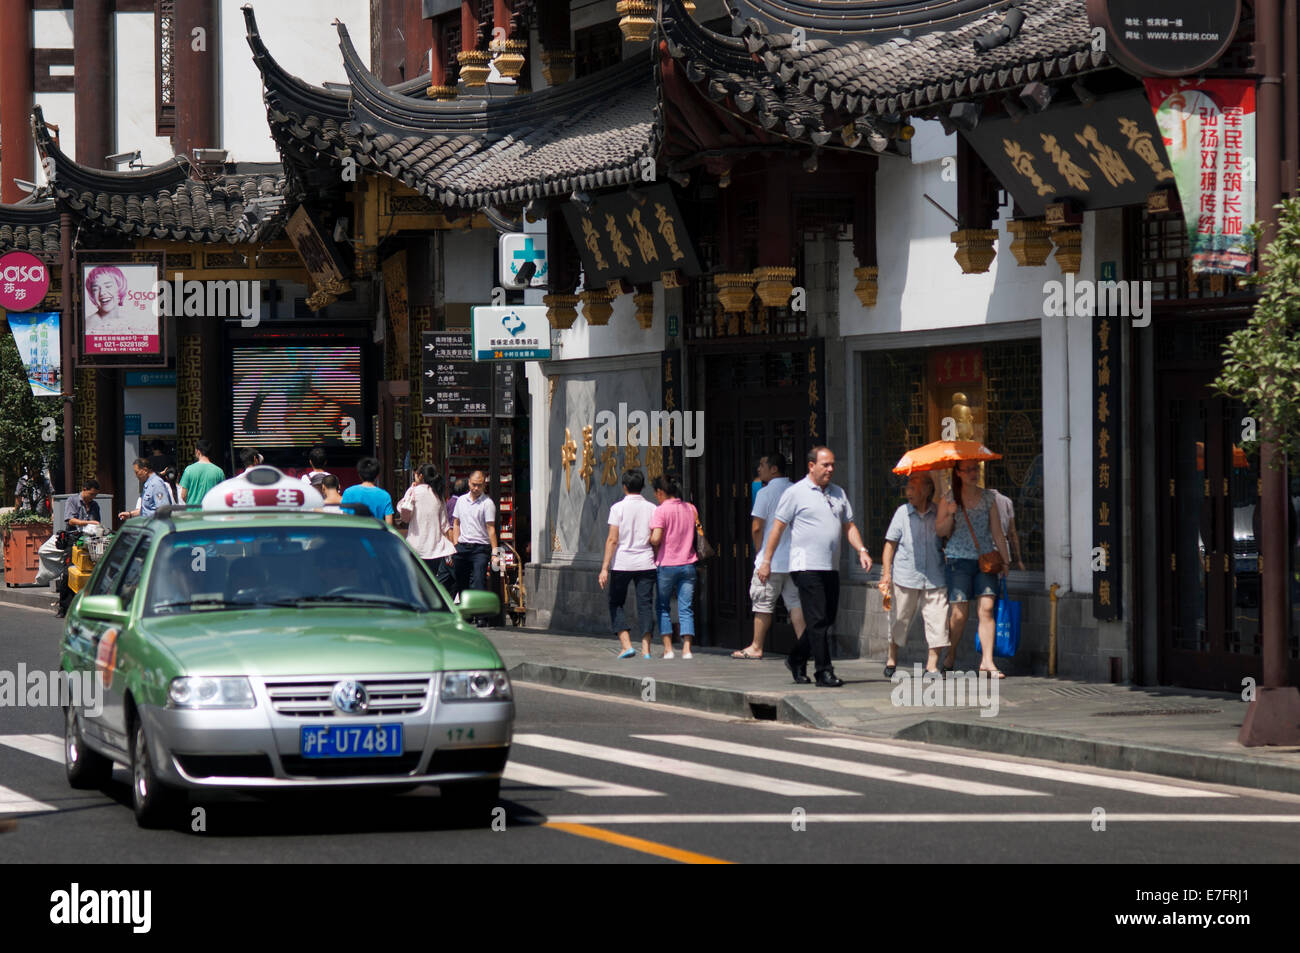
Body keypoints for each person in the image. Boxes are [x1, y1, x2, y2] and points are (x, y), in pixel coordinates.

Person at [758, 446, 873, 687]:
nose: (831, 469)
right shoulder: (795, 492)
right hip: (805, 566)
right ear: (812, 466)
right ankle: (824, 671)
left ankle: (796, 658)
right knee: (818, 618)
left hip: (830, 567)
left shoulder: (838, 493)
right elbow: (777, 528)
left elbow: (848, 526)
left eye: (832, 465)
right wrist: (766, 560)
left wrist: (861, 550)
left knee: (826, 619)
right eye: (825, 465)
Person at [936, 461, 1012, 678]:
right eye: (967, 470)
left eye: (975, 469)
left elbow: (997, 532)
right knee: (959, 613)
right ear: (958, 473)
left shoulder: (989, 498)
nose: (972, 474)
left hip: (985, 560)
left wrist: (1005, 561)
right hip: (958, 560)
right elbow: (939, 530)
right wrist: (950, 513)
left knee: (986, 609)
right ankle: (950, 654)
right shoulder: (949, 498)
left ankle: (987, 661)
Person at [734, 450, 805, 660]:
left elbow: (757, 527)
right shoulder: (797, 491)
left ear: (774, 469)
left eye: (763, 465)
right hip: (794, 561)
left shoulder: (765, 493)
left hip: (771, 561)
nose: (759, 469)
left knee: (763, 604)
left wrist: (760, 552)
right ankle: (804, 644)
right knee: (795, 603)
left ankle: (756, 646)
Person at [880, 473, 948, 678]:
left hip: (935, 576)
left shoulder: (938, 512)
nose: (908, 492)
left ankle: (932, 666)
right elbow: (889, 545)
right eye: (908, 487)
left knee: (938, 621)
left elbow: (947, 538)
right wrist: (886, 574)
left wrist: (951, 514)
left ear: (927, 490)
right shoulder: (902, 513)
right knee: (900, 619)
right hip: (905, 575)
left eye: (913, 487)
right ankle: (892, 658)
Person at [599, 469, 658, 659]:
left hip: (622, 563)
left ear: (624, 487)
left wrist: (604, 568)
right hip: (646, 562)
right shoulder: (652, 508)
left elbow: (612, 539)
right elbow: (656, 538)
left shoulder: (617, 508)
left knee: (616, 602)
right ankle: (646, 649)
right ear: (642, 487)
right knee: (645, 605)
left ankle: (626, 644)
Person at [648, 472, 698, 659]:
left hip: (667, 565)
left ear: (661, 492)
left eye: (655, 492)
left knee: (663, 607)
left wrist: (649, 538)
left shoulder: (661, 511)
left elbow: (656, 538)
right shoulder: (690, 508)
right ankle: (686, 649)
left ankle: (668, 649)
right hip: (688, 564)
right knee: (686, 607)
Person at [397, 464, 457, 593]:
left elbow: (405, 517)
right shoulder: (438, 494)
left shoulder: (413, 491)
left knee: (416, 586)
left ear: (421, 476)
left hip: (416, 548)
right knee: (432, 585)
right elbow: (445, 526)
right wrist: (452, 546)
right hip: (436, 549)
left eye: (416, 473)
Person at [452, 470, 498, 595]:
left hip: (480, 549)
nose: (476, 488)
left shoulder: (487, 503)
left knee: (478, 583)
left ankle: (479, 614)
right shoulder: (461, 500)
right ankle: (466, 613)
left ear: (484, 485)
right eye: (474, 484)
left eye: (479, 485)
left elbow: (491, 528)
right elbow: (456, 523)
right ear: (469, 483)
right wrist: (455, 544)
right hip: (462, 547)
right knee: (461, 583)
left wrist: (495, 553)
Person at [341, 456, 394, 524]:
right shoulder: (385, 495)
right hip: (376, 533)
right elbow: (389, 523)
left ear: (359, 474)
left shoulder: (348, 492)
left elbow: (344, 519)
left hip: (353, 533)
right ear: (377, 475)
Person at [178, 438, 226, 506]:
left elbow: (183, 495)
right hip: (211, 512)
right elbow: (222, 494)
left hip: (193, 512)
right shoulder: (219, 471)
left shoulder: (189, 470)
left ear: (198, 451)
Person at [991, 487, 1025, 571]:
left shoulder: (978, 501)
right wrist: (1019, 560)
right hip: (1002, 549)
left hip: (982, 550)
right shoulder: (1007, 501)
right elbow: (1012, 532)